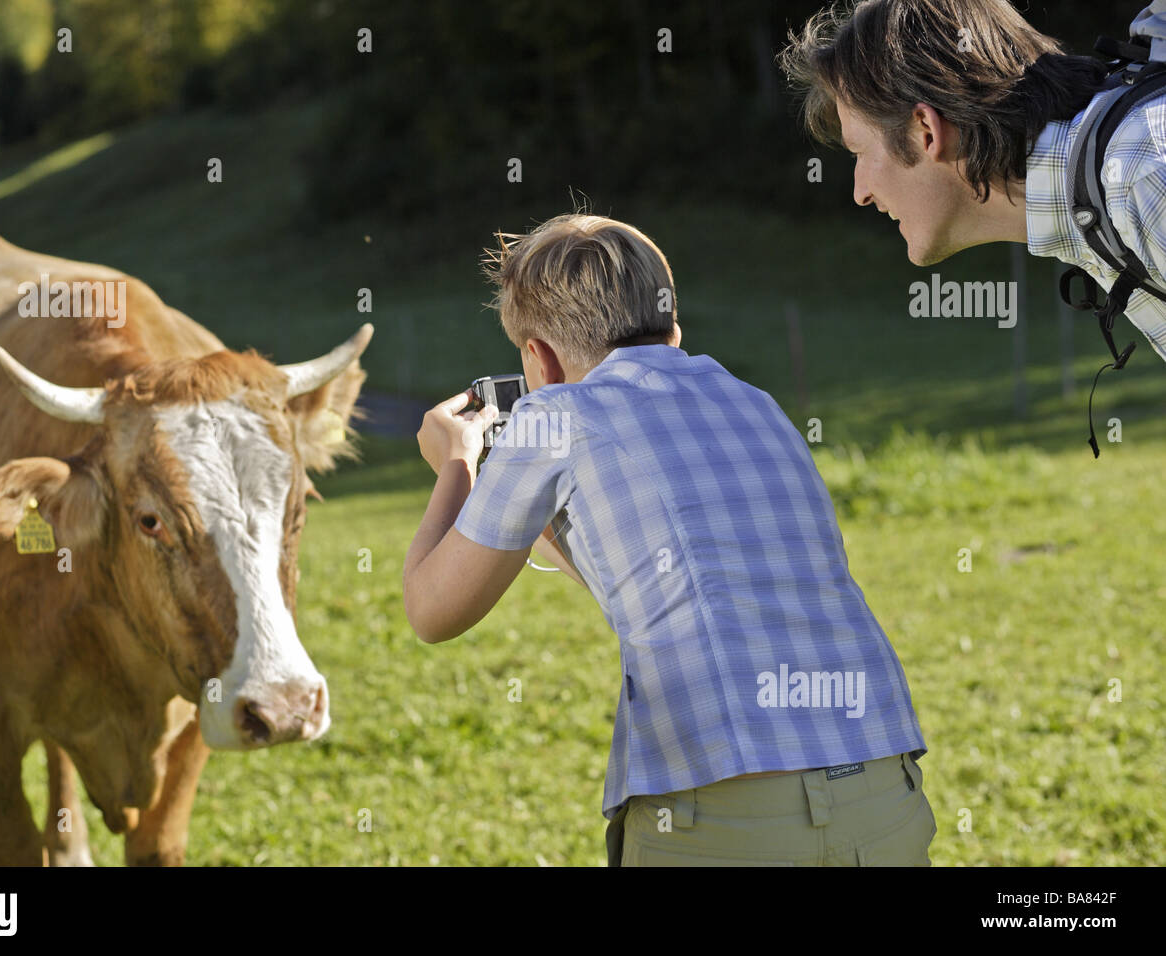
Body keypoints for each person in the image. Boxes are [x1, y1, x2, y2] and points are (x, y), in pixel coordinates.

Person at [402, 213, 933, 866]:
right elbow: (654, 573)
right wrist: (527, 516)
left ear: (538, 358)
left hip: (720, 804)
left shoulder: (553, 414)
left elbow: (432, 612)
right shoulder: (754, 402)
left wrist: (455, 466)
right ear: (672, 327)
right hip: (883, 788)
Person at [777, 0, 1166, 365]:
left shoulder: (1141, 179)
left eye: (859, 153)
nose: (859, 192)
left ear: (926, 131)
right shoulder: (1104, 191)